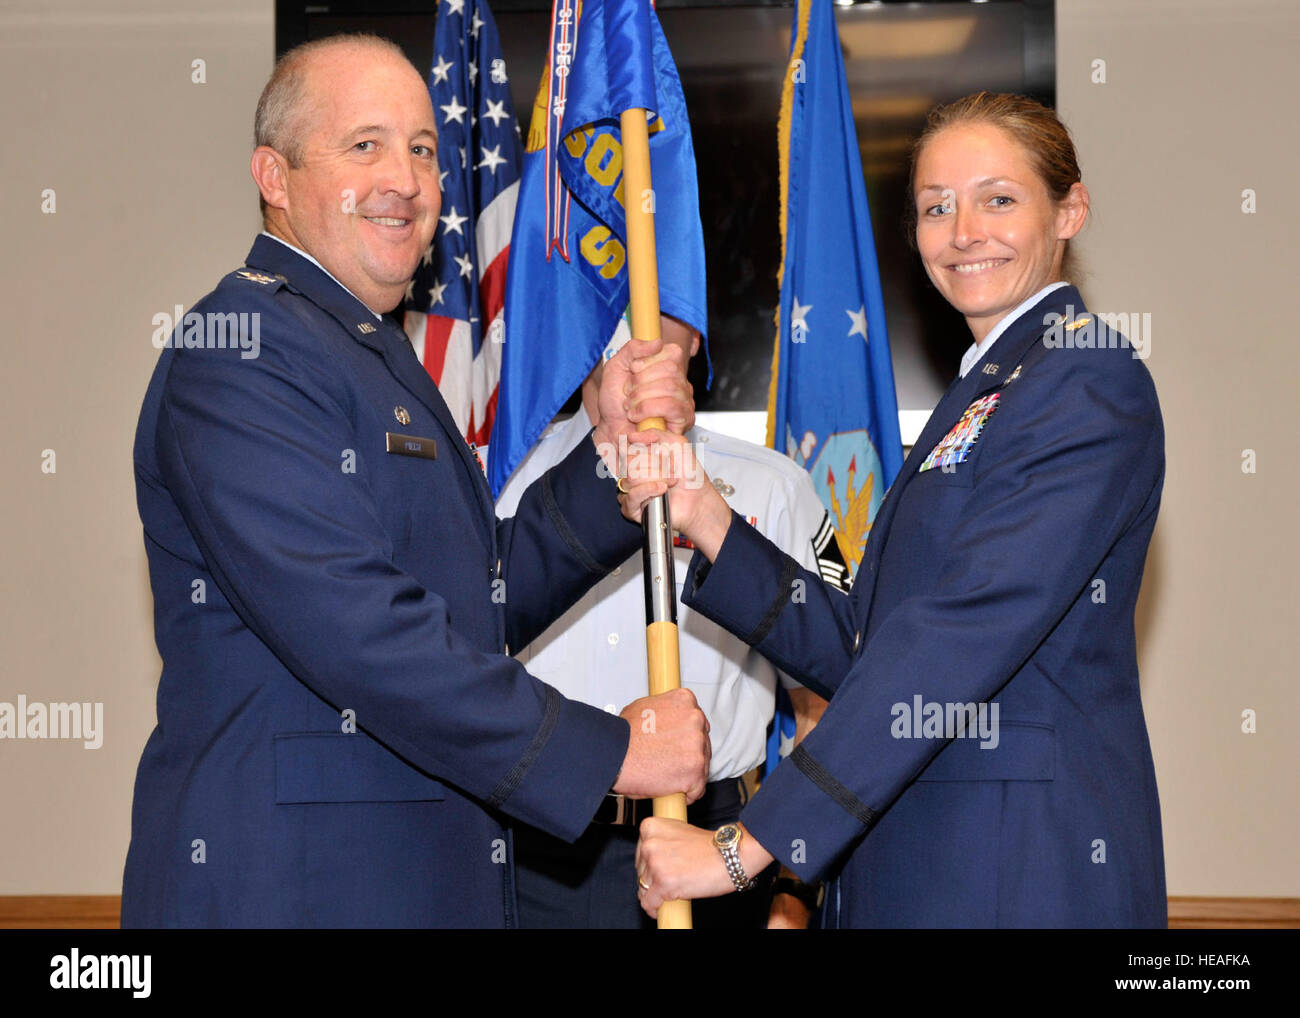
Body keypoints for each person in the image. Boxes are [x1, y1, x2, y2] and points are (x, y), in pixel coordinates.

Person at [123, 33, 711, 928]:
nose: (406, 178)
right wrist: (608, 753)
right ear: (273, 179)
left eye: (424, 150)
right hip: (294, 891)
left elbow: (476, 595)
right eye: (365, 145)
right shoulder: (243, 348)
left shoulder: (365, 350)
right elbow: (358, 627)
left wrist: (613, 455)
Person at [631, 92, 1167, 928]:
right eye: (935, 207)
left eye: (998, 199)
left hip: (1016, 875)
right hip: (922, 866)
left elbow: (961, 632)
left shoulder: (1085, 378)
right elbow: (868, 648)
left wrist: (746, 846)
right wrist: (706, 516)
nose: (963, 232)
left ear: (1069, 209)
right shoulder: (983, 387)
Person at [495, 316, 834, 929]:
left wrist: (792, 886)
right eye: (610, 295)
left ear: (696, 335)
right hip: (535, 850)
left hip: (716, 848)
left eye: (659, 302)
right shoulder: (503, 476)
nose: (633, 321)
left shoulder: (772, 486)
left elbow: (824, 697)